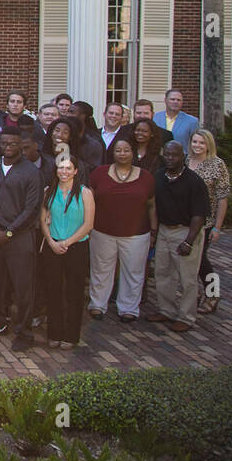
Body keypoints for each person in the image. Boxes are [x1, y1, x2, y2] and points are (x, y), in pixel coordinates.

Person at [0, 131, 43, 350]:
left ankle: (24, 332)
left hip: (19, 238)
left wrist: (10, 232)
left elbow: (32, 208)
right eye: (5, 143)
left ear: (21, 146)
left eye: (14, 143)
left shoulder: (31, 171)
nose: (8, 146)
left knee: (23, 287)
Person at [86, 138, 155, 324]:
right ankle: (97, 304)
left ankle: (128, 308)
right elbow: (89, 199)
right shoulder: (99, 174)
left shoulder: (146, 177)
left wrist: (154, 230)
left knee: (133, 272)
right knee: (101, 270)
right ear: (113, 153)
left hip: (136, 233)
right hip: (102, 231)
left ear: (133, 153)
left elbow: (151, 205)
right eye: (118, 150)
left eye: (126, 150)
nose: (122, 154)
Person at [148, 141, 210, 333]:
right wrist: (155, 232)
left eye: (174, 155)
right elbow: (153, 207)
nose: (170, 158)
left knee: (187, 278)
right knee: (163, 273)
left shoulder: (194, 182)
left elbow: (199, 214)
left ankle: (186, 317)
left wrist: (189, 241)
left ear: (183, 156)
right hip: (165, 231)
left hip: (186, 231)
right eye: (166, 154)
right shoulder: (159, 177)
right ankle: (166, 310)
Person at [38, 155, 93, 349]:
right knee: (53, 290)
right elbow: (43, 220)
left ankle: (70, 336)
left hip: (76, 246)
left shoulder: (85, 193)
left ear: (76, 171)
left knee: (74, 291)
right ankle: (54, 333)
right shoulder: (48, 191)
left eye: (69, 168)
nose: (64, 172)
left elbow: (88, 224)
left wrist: (67, 242)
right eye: (61, 168)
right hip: (53, 246)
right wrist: (52, 242)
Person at [187, 128, 230, 315]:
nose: (197, 145)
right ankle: (193, 293)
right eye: (195, 142)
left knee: (201, 260)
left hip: (206, 221)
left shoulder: (217, 164)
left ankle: (213, 293)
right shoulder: (186, 161)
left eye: (201, 143)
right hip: (185, 220)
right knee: (188, 260)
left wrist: (217, 228)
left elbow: (222, 198)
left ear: (208, 145)